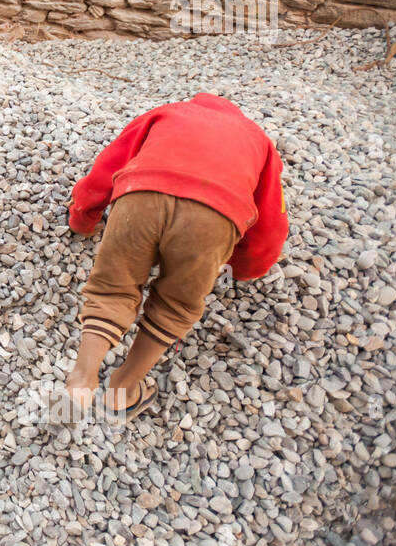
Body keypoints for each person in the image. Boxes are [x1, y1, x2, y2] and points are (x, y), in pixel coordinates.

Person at [63, 93, 289, 420]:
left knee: (111, 288)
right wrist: (241, 268)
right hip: (214, 216)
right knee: (176, 305)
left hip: (142, 193)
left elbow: (107, 167)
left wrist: (83, 217)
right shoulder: (260, 141)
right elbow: (270, 224)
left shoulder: (165, 113)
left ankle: (81, 381)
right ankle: (123, 390)